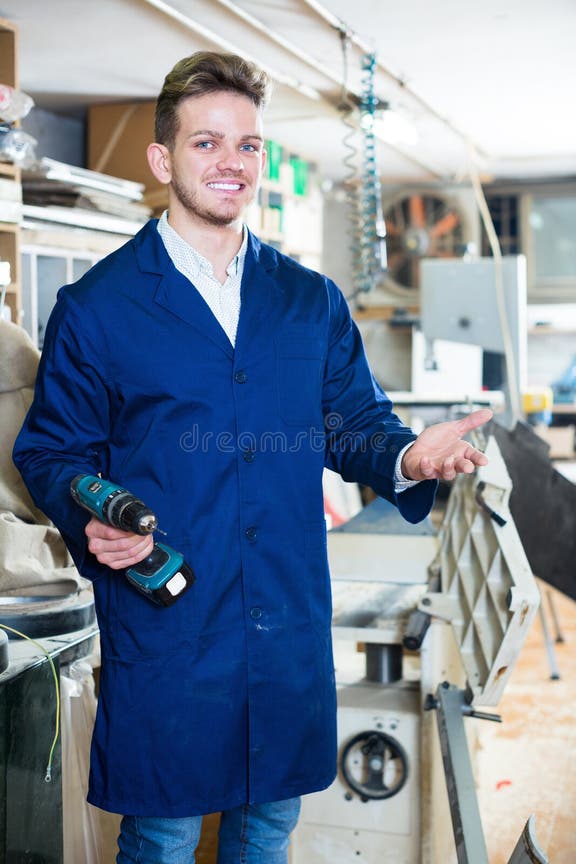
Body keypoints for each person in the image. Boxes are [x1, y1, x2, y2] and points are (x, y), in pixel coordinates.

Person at [13, 51, 492, 864]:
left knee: (268, 825)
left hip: (284, 619)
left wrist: (409, 456)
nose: (231, 163)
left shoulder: (308, 302)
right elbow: (53, 451)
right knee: (163, 830)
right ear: (163, 159)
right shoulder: (99, 310)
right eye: (207, 144)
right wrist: (94, 520)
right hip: (171, 622)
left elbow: (354, 425)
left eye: (247, 145)